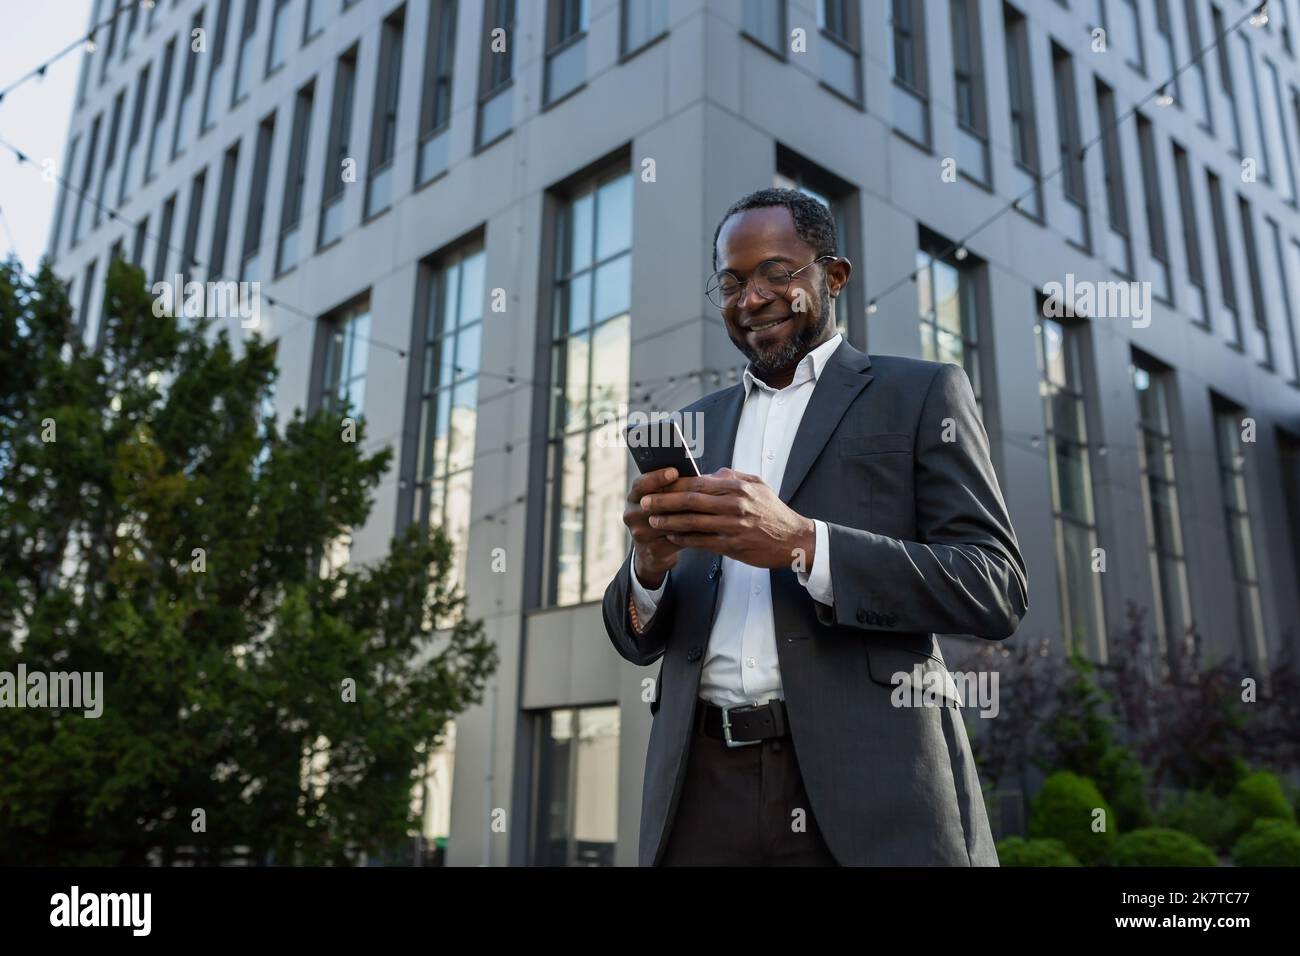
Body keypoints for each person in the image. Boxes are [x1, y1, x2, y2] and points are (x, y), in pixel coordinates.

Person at [602, 188, 1028, 866]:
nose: (752, 299)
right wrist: (647, 567)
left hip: (866, 787)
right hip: (700, 791)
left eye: (776, 273)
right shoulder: (694, 426)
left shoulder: (920, 395)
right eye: (732, 283)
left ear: (833, 277)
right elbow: (636, 639)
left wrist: (804, 543)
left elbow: (995, 586)